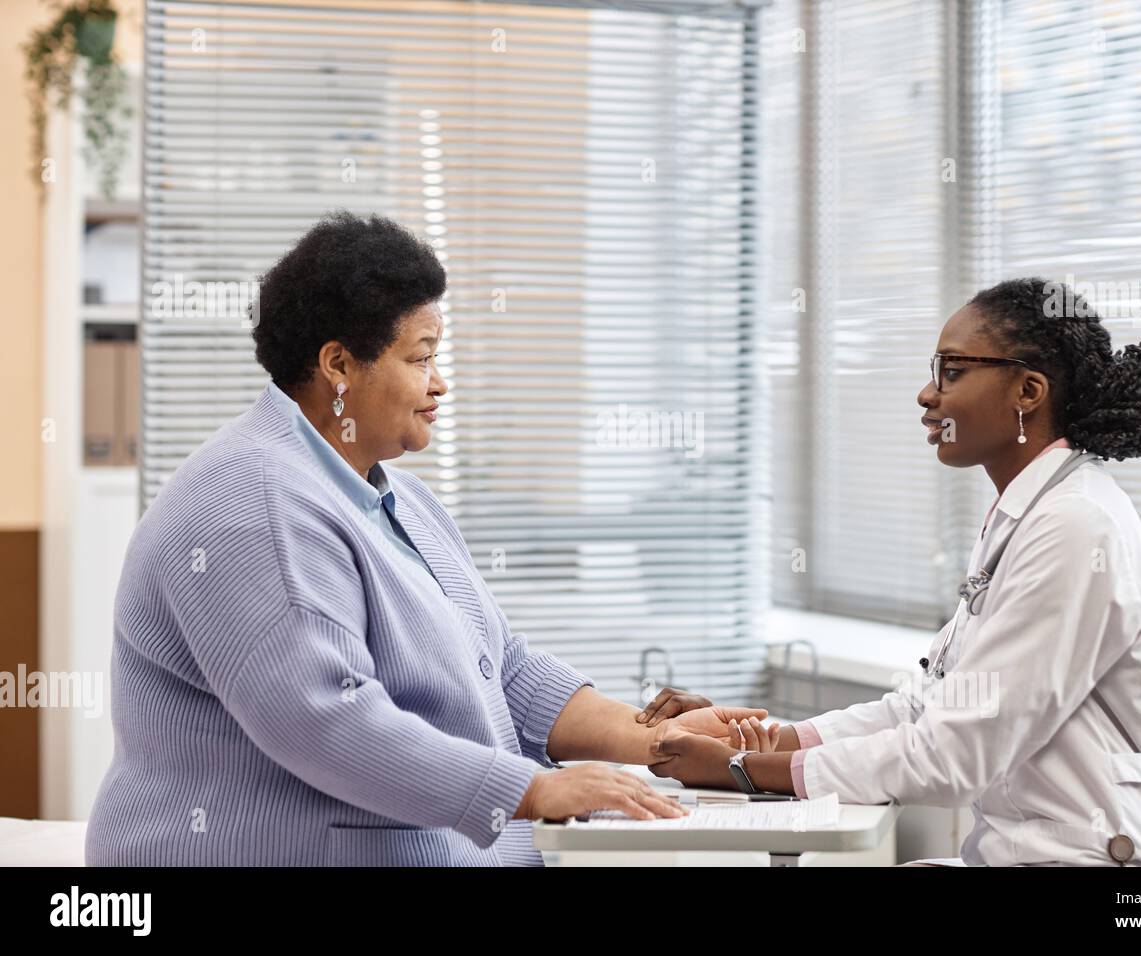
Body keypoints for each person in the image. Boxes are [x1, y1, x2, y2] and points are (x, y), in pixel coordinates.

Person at [84, 211, 767, 866]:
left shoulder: (397, 498)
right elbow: (327, 720)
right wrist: (531, 790)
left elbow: (503, 668)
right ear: (339, 367)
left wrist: (650, 740)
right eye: (421, 358)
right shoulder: (251, 506)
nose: (439, 384)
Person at [648, 277, 1141, 867]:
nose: (927, 395)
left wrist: (746, 772)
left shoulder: (1075, 525)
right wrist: (753, 741)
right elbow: (924, 708)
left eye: (952, 372)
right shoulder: (1027, 515)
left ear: (1028, 390)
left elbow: (956, 756)